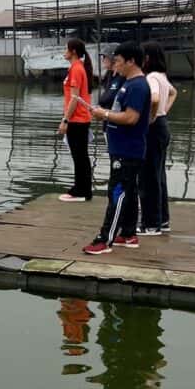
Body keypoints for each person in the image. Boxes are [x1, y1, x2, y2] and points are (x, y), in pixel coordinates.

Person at [84, 42, 151, 255]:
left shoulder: (138, 86)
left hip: (128, 149)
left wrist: (103, 114)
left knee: (117, 192)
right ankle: (129, 233)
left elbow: (131, 117)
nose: (116, 65)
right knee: (129, 192)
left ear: (131, 61)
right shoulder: (127, 83)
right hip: (119, 146)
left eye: (120, 62)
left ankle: (105, 239)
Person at [139, 43, 178, 235]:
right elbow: (173, 93)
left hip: (153, 128)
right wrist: (163, 112)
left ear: (147, 58)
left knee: (148, 178)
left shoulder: (151, 77)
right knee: (159, 176)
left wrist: (151, 116)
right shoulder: (162, 77)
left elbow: (154, 99)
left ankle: (150, 223)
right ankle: (162, 220)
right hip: (163, 126)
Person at [58, 39, 95, 202]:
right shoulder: (77, 68)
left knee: (79, 156)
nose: (64, 51)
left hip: (77, 119)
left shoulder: (76, 69)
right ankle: (81, 188)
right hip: (78, 118)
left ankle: (81, 191)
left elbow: (74, 98)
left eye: (66, 49)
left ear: (73, 51)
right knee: (80, 156)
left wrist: (65, 120)